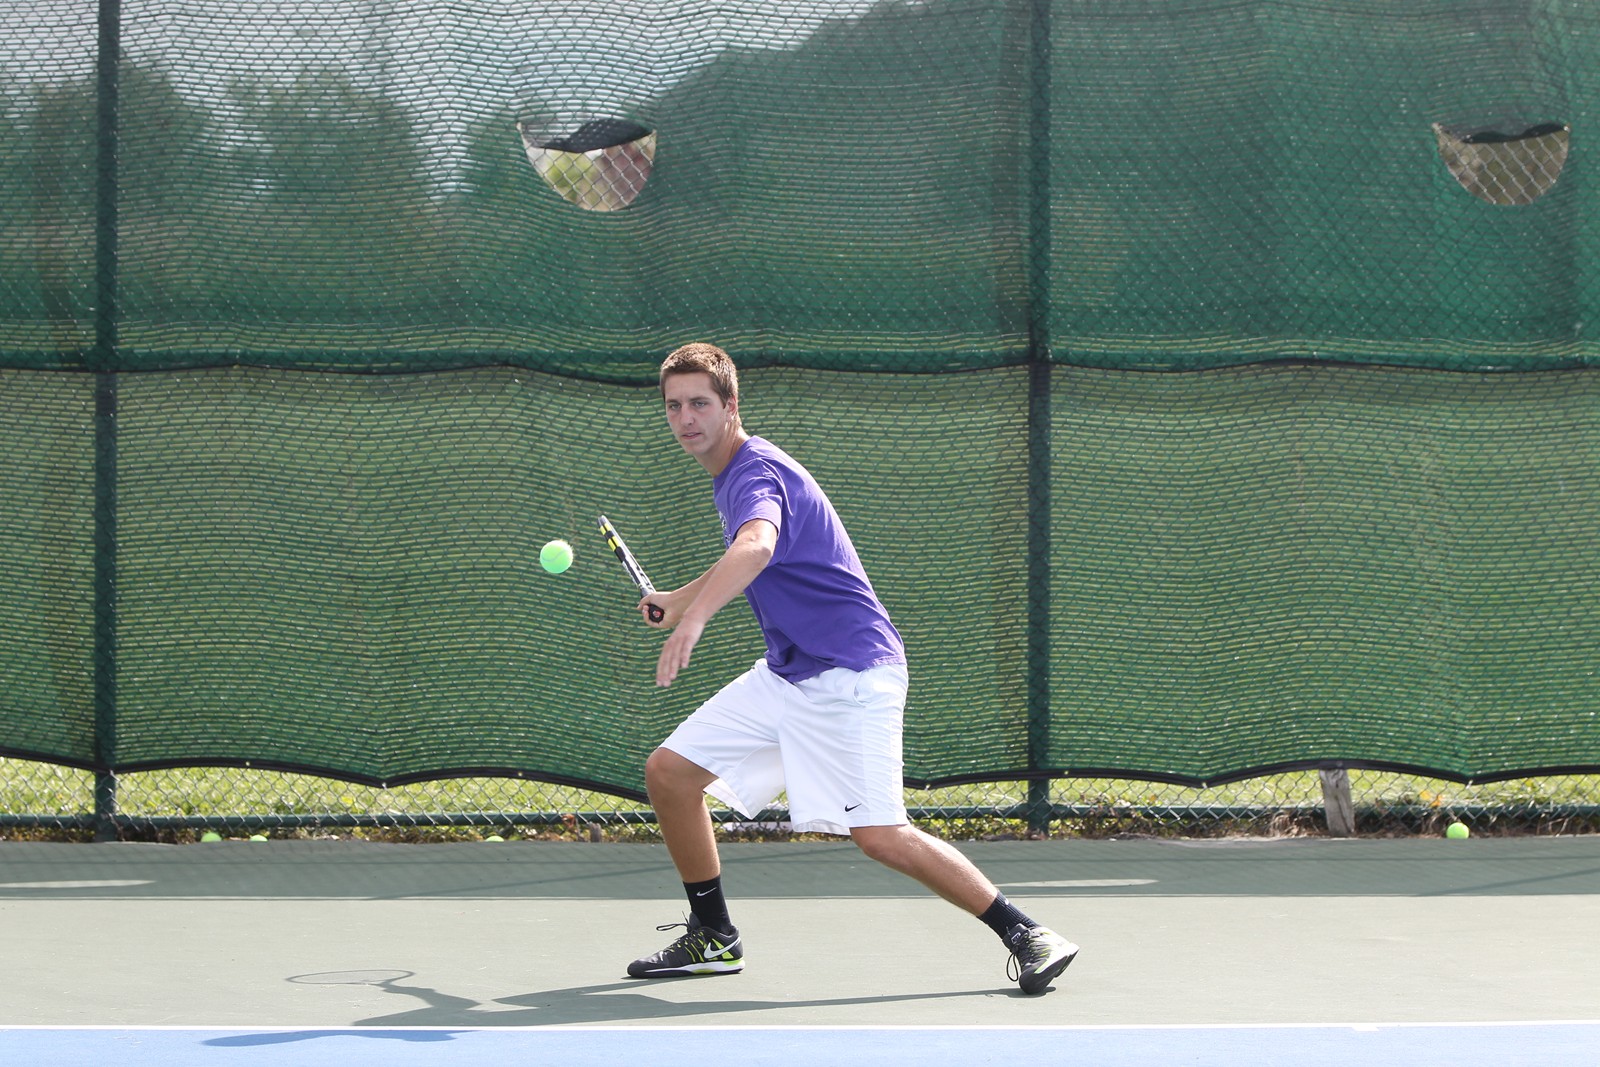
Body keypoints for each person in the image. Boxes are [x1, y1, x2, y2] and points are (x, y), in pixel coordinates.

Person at [625, 342, 1078, 995]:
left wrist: (697, 619)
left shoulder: (754, 470)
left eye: (700, 402)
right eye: (674, 405)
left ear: (730, 405)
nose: (686, 417)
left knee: (880, 834)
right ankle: (713, 934)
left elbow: (758, 544)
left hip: (854, 675)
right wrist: (679, 599)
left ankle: (1026, 931)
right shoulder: (730, 475)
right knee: (669, 773)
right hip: (789, 674)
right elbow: (746, 552)